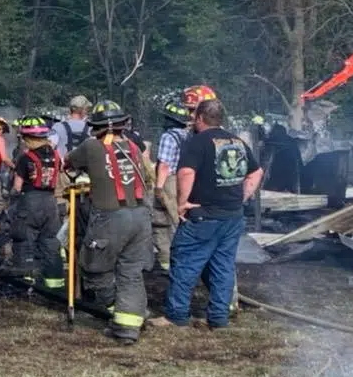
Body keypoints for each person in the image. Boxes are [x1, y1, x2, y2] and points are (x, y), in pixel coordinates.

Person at [165, 99, 263, 329]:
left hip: (202, 215)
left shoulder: (197, 142)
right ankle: (219, 317)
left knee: (185, 263)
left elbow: (187, 172)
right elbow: (256, 172)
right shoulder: (237, 141)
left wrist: (182, 203)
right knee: (223, 266)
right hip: (232, 216)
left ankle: (177, 315)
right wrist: (242, 197)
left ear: (200, 118)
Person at [64, 101, 155, 345]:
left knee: (94, 267)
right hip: (140, 217)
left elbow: (68, 163)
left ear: (96, 126)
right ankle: (128, 325)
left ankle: (119, 311)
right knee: (131, 272)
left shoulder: (91, 146)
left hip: (110, 218)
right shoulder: (134, 147)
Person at [10, 119, 64, 289]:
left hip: (31, 202)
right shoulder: (56, 155)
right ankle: (55, 282)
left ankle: (26, 280)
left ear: (28, 138)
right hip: (51, 204)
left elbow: (17, 187)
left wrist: (11, 198)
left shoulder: (25, 158)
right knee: (50, 241)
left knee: (24, 240)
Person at [151, 99, 192, 271]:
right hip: (187, 180)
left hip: (170, 181)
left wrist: (159, 187)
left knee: (163, 220)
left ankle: (168, 260)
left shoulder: (168, 137)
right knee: (181, 219)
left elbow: (165, 165)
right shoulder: (189, 135)